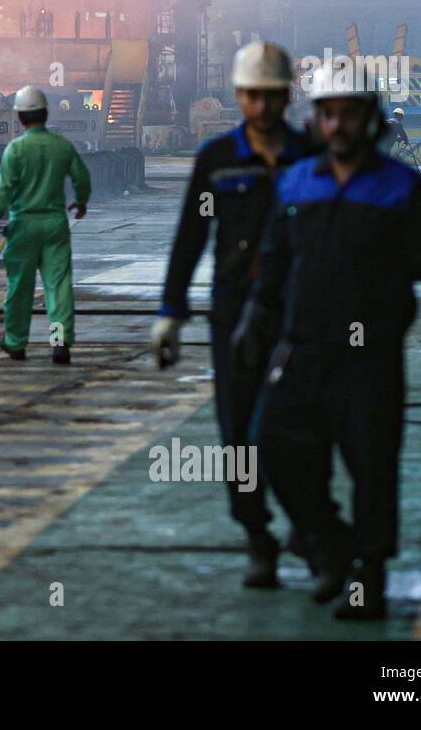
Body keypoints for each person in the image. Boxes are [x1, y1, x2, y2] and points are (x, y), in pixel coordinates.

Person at [233, 59, 421, 621]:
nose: (337, 125)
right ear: (316, 120)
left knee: (372, 467)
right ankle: (328, 541)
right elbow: (273, 263)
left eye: (348, 113)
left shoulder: (400, 188)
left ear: (370, 119)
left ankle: (367, 577)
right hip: (302, 349)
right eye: (328, 114)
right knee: (271, 446)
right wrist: (252, 317)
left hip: (370, 358)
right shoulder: (295, 183)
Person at [151, 41, 318, 588]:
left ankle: (308, 527)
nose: (263, 107)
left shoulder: (311, 157)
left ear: (286, 95)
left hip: (299, 316)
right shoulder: (217, 159)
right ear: (239, 96)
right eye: (253, 96)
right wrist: (171, 311)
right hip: (233, 316)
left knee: (301, 431)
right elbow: (190, 238)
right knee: (238, 436)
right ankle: (258, 539)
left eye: (272, 96)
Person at [0, 86, 91, 365]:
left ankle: (16, 342)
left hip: (23, 226)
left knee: (20, 287)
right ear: (45, 114)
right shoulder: (62, 146)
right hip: (55, 224)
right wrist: (80, 203)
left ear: (20, 117)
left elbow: (4, 189)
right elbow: (82, 178)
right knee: (58, 287)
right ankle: (59, 343)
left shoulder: (15, 149)